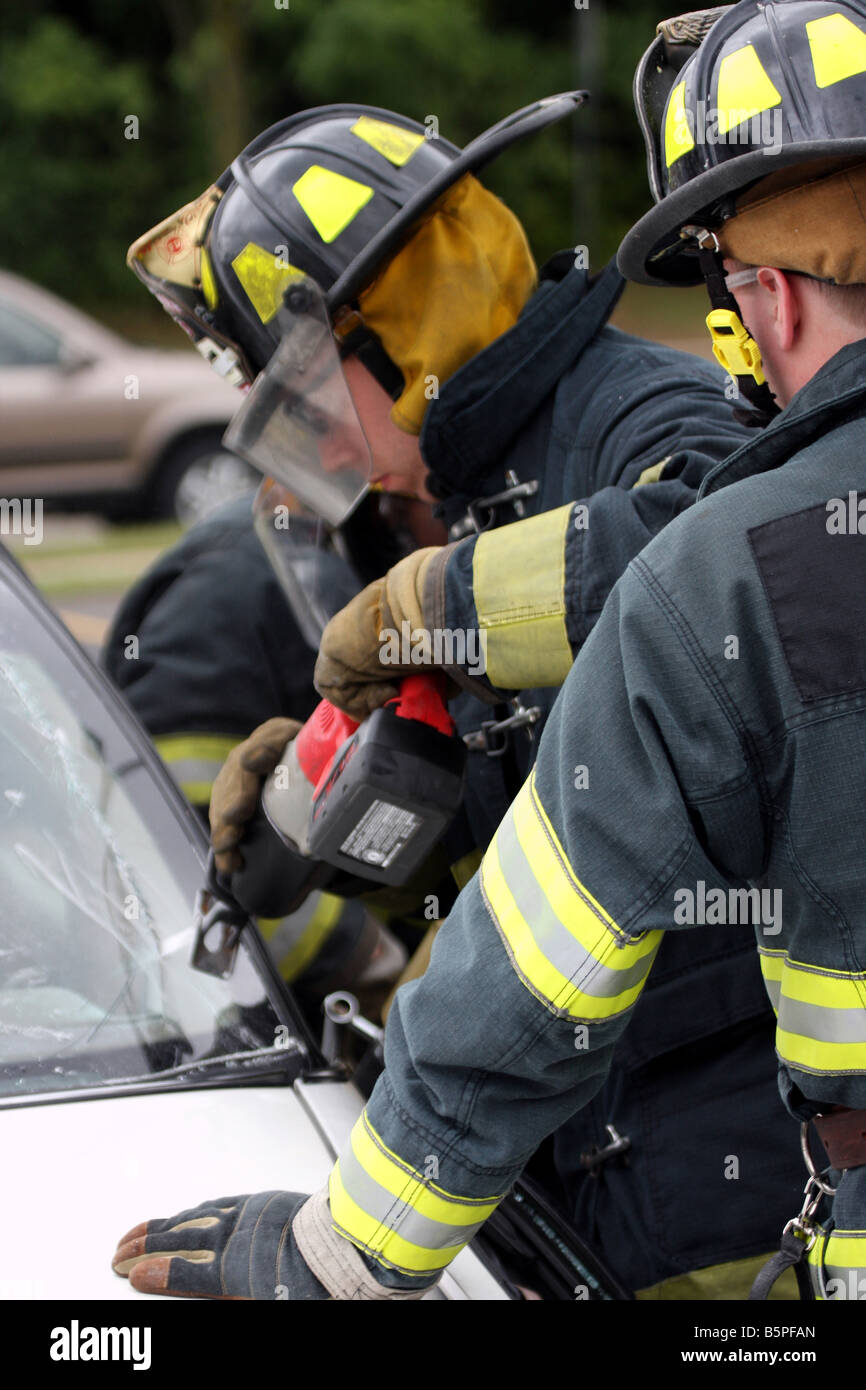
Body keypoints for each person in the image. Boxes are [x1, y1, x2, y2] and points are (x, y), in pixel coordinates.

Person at [113, 66, 806, 1298]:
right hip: (576, 1167)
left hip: (731, 1170)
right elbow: (539, 838)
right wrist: (355, 810)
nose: (314, 446)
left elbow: (728, 571)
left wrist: (432, 611)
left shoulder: (647, 417)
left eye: (307, 395)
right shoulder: (441, 492)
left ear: (399, 328)